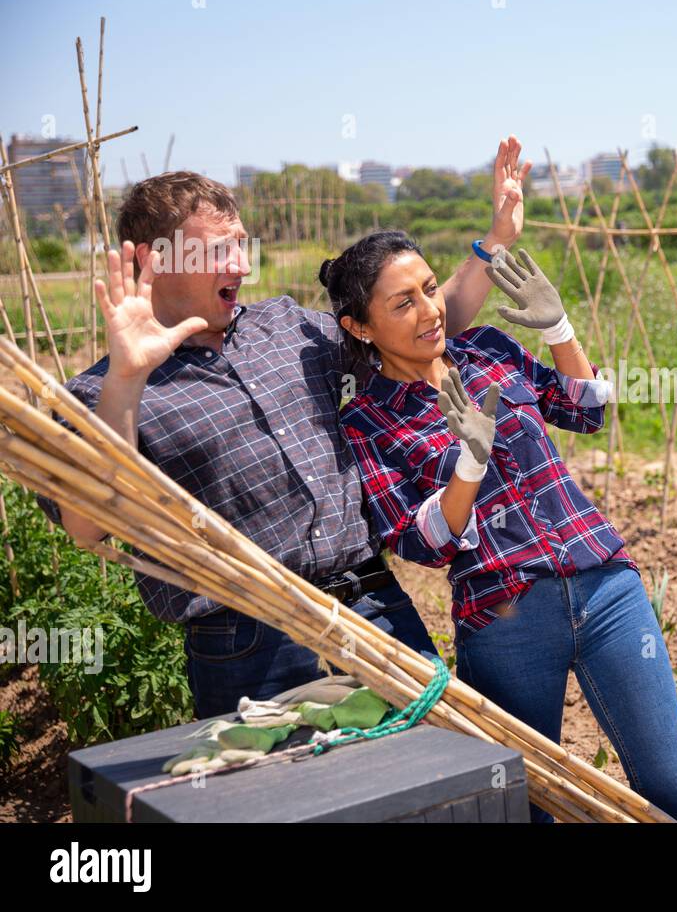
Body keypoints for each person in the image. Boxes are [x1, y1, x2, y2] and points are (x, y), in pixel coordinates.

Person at [36, 138, 534, 718]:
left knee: (427, 779)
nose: (242, 265)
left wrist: (493, 244)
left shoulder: (288, 326)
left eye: (242, 245)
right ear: (156, 260)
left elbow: (416, 327)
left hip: (371, 607)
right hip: (249, 640)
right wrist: (128, 375)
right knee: (284, 801)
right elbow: (85, 523)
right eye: (221, 251)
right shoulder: (103, 393)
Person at [321, 233, 677, 823]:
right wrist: (467, 467)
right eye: (403, 303)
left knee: (673, 796)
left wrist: (559, 331)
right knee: (525, 809)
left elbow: (585, 409)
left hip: (606, 588)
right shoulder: (367, 418)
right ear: (359, 327)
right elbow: (419, 541)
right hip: (506, 620)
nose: (430, 311)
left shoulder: (487, 352)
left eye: (430, 289)